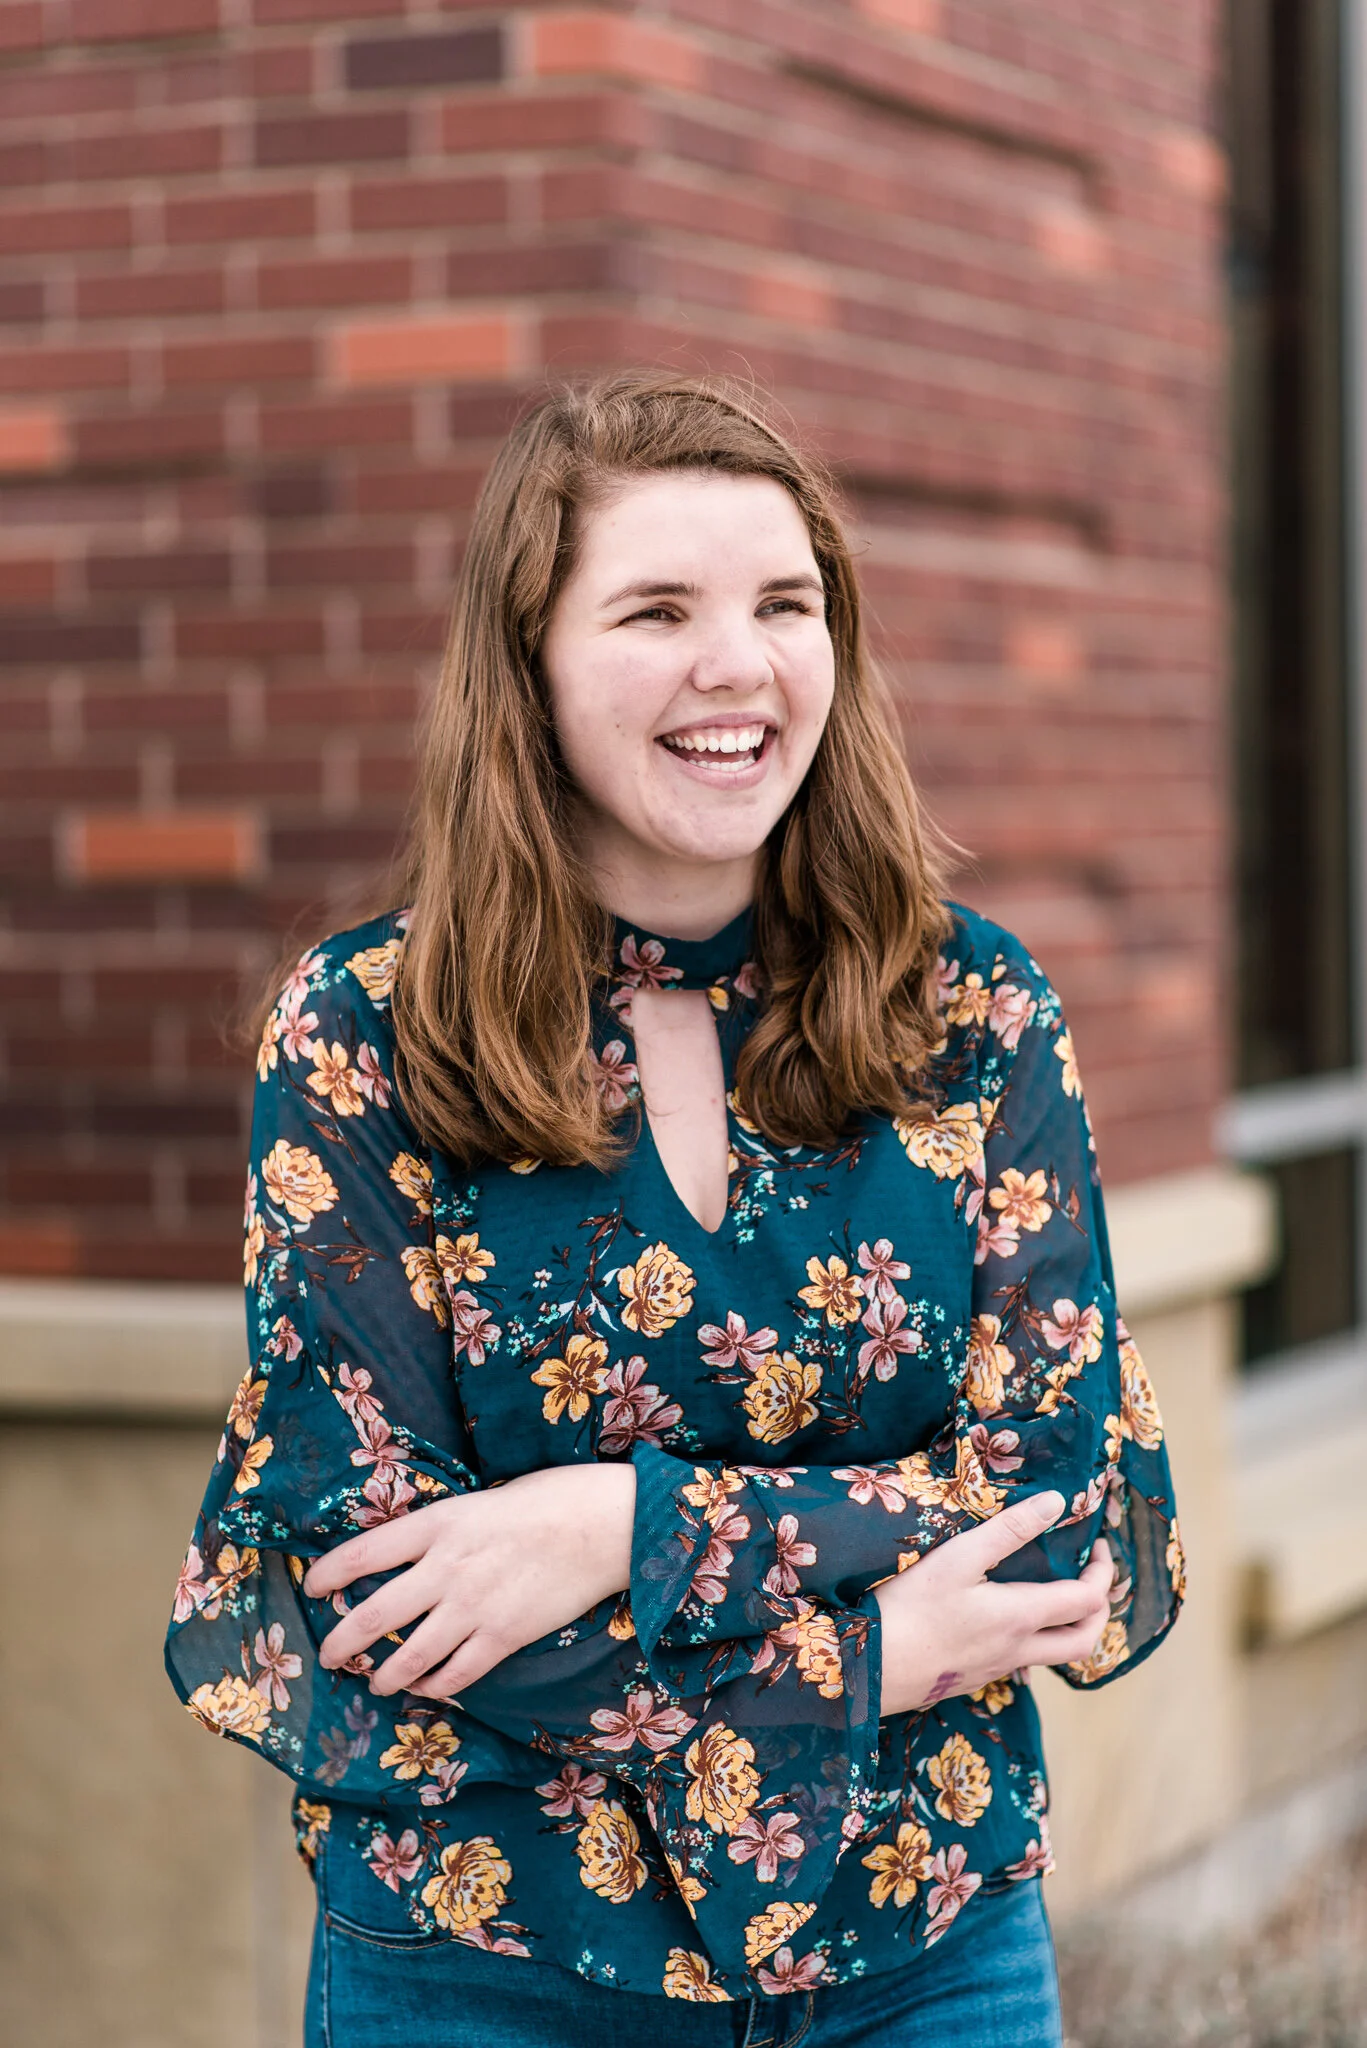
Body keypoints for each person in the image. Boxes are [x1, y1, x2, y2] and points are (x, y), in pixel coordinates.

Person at [165, 368, 1183, 2048]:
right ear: (531, 668)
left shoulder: (971, 1013)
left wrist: (608, 1532)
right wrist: (869, 1657)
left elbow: (1059, 1510)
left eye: (785, 602)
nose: (737, 663)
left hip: (921, 1947)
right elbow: (374, 1586)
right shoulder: (365, 1034)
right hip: (492, 1964)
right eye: (655, 609)